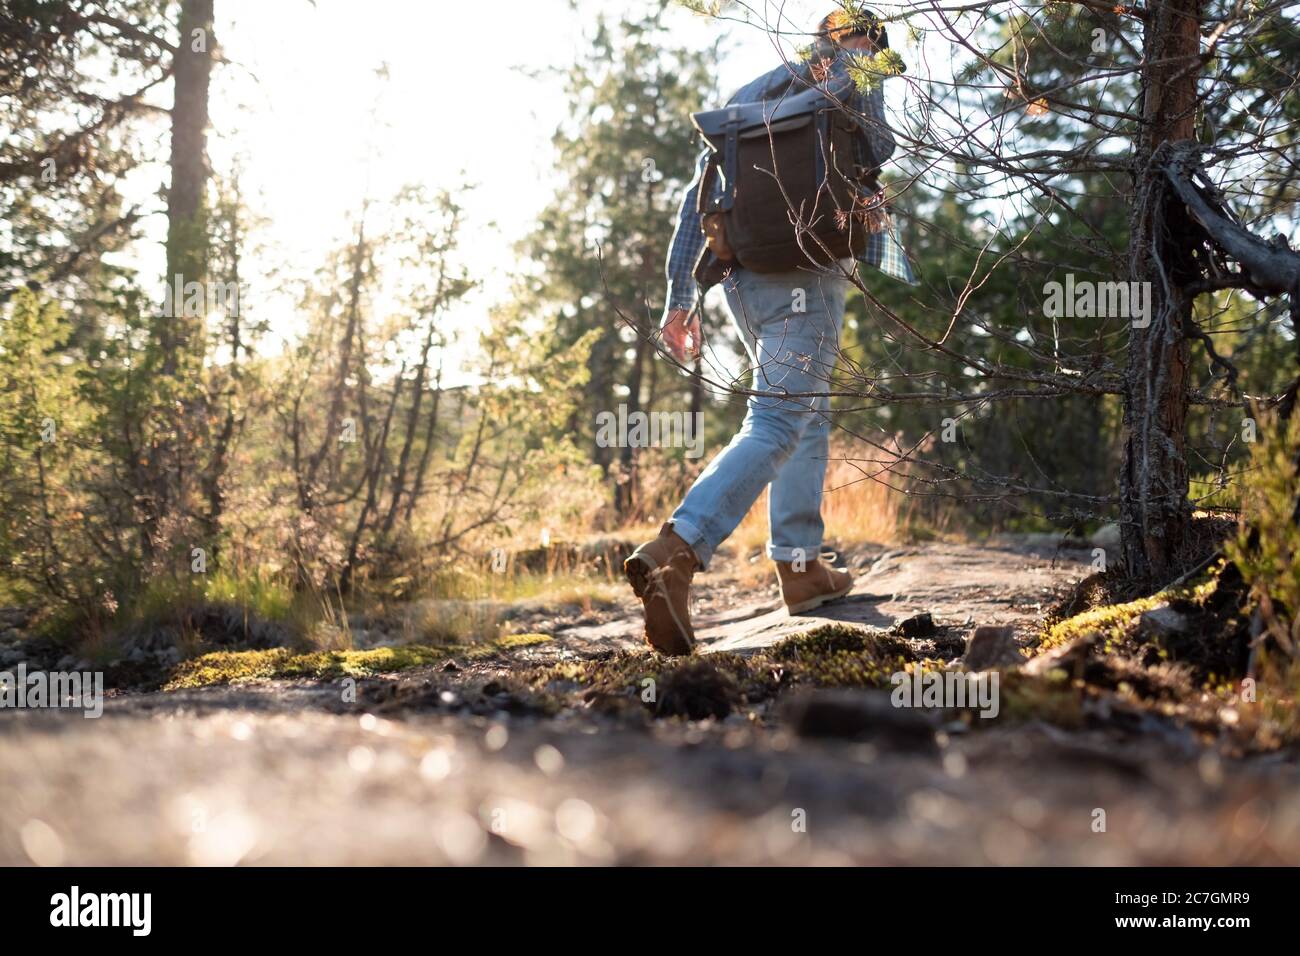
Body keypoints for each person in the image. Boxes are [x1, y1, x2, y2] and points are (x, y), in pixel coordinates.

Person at [623, 9, 916, 655]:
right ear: (857, 41)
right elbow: (881, 148)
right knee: (780, 421)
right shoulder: (853, 79)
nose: (868, 52)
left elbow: (695, 197)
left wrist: (681, 296)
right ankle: (676, 551)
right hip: (807, 276)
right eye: (867, 40)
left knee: (805, 413)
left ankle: (801, 567)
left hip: (743, 277)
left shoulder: (750, 95)